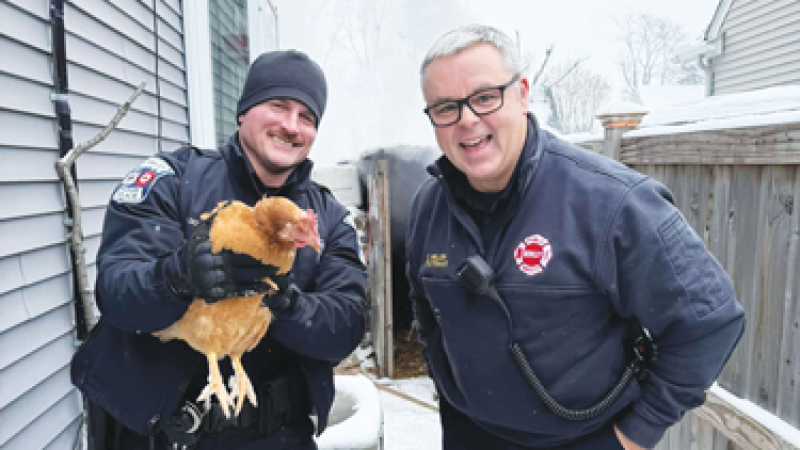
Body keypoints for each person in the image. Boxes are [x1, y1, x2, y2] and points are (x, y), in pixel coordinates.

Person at [406, 25, 746, 450]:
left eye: (484, 97)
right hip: (468, 434)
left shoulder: (614, 204)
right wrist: (448, 378)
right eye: (444, 108)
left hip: (582, 438)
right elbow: (424, 302)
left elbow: (709, 322)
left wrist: (636, 432)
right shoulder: (429, 205)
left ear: (522, 92)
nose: (467, 120)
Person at [71, 50, 367, 449]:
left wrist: (286, 305)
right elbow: (117, 292)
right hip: (158, 433)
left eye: (307, 117)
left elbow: (345, 326)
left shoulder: (327, 217)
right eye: (278, 106)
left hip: (275, 435)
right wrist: (176, 277)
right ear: (244, 111)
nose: (291, 125)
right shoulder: (172, 181)